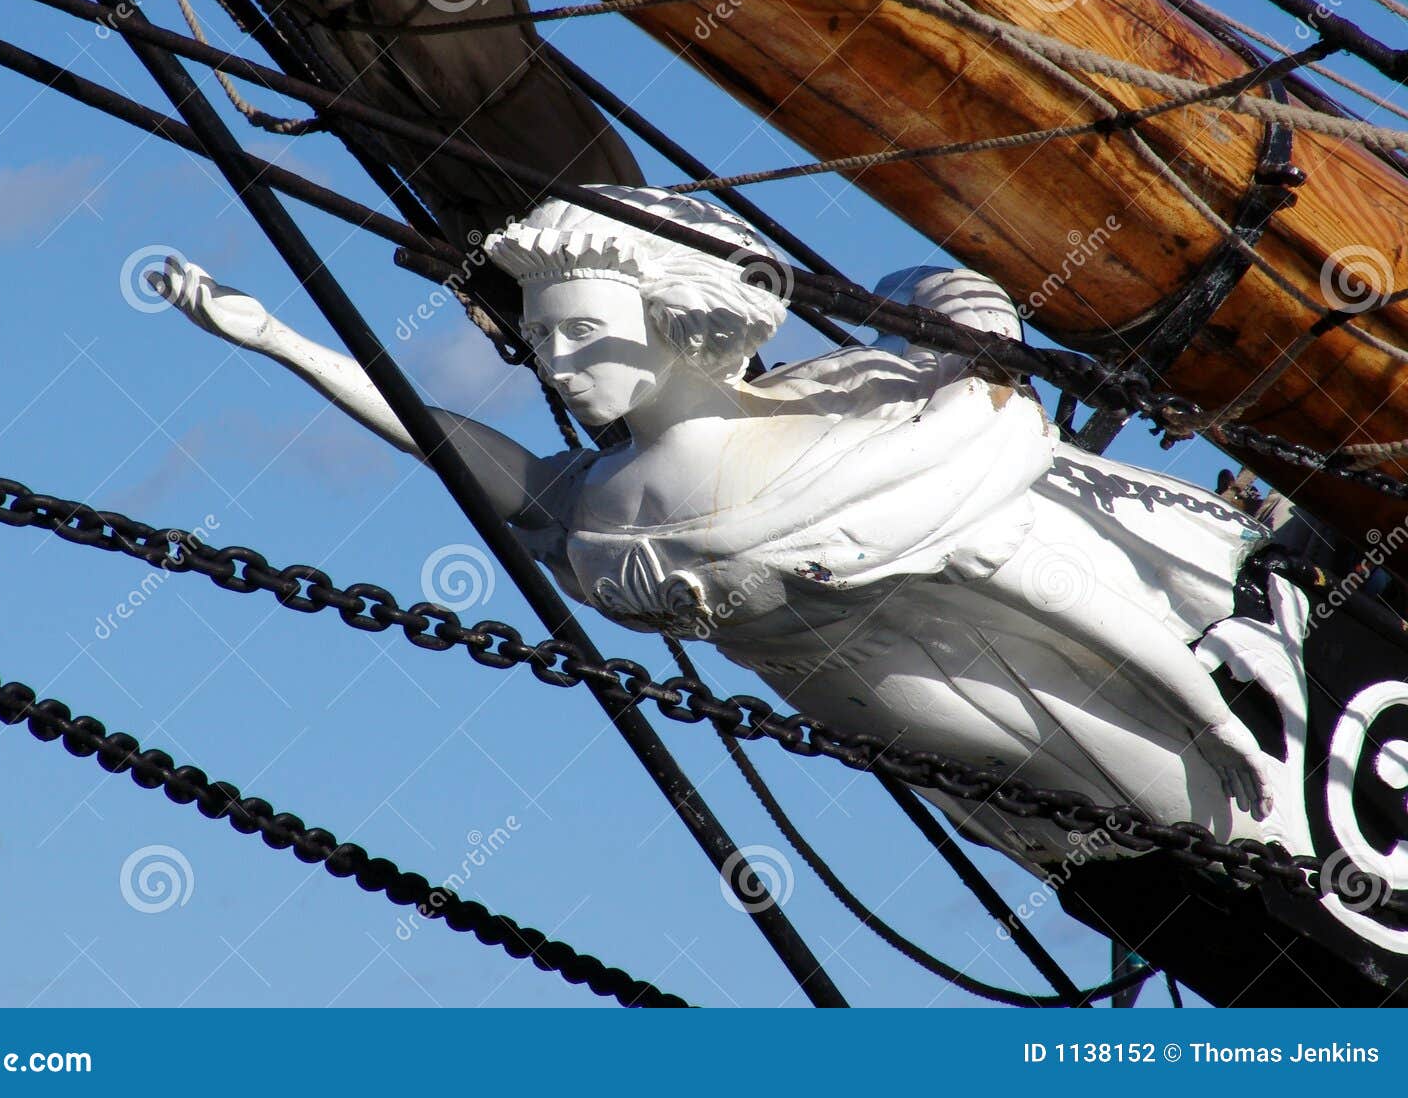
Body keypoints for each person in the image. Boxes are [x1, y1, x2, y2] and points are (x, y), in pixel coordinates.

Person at [152, 184, 1287, 871]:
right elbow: (450, 444)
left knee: (1230, 850)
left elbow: (1043, 584)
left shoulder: (852, 456)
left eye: (587, 336)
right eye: (548, 345)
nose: (562, 366)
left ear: (683, 324)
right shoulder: (599, 506)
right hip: (967, 780)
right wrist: (280, 344)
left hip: (1103, 728)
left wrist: (1216, 723)